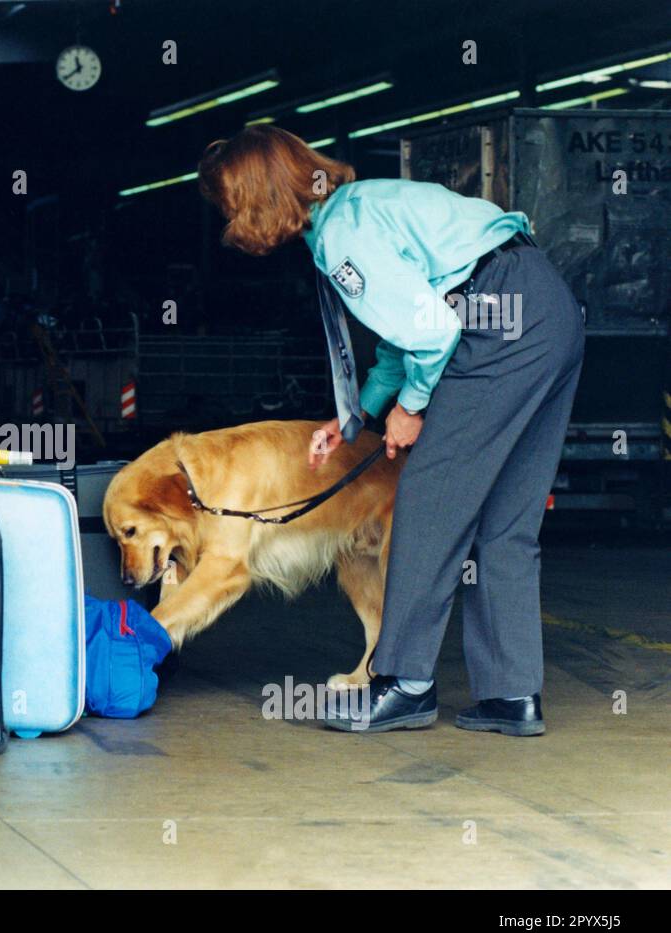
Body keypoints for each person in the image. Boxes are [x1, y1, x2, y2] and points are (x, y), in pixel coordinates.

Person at [197, 125, 583, 736]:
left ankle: (402, 682)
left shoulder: (344, 237)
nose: (227, 218)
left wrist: (412, 406)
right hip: (545, 309)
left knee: (426, 500)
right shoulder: (361, 206)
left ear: (258, 195)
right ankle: (512, 694)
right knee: (508, 521)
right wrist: (357, 417)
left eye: (229, 202)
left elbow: (430, 332)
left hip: (494, 321)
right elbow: (403, 336)